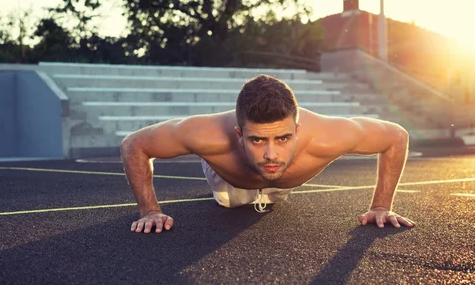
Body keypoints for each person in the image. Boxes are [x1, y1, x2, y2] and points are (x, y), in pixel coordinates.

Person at [120, 74, 416, 233]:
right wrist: (150, 211)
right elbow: (134, 144)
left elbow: (396, 137)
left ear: (298, 130)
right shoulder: (207, 134)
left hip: (281, 186)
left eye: (284, 138)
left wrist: (381, 206)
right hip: (228, 181)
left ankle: (268, 183)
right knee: (230, 202)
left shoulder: (328, 137)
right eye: (258, 140)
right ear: (240, 134)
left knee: (273, 190)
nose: (271, 154)